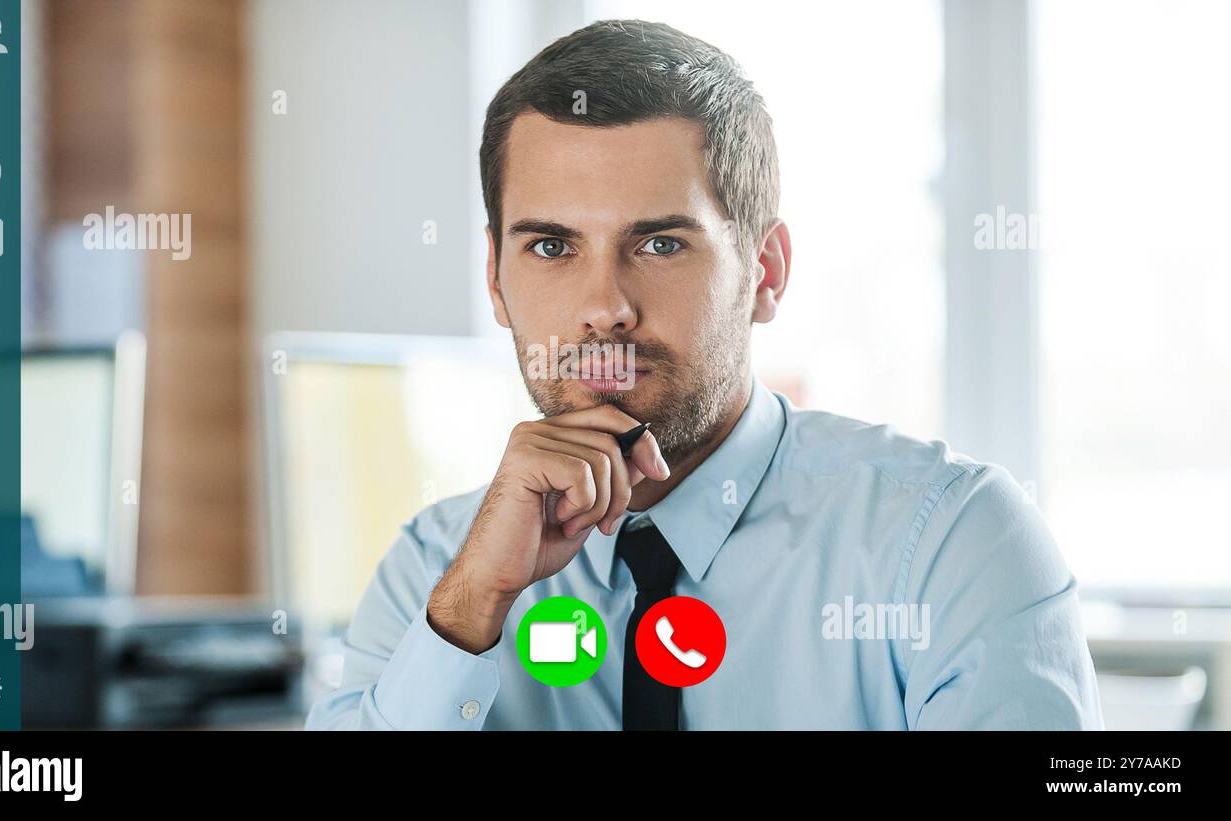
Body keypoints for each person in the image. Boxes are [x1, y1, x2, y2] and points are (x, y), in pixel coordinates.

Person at [306, 19, 1103, 731]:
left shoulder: (951, 544)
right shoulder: (437, 571)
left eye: (659, 243)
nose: (603, 307)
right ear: (494, 277)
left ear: (765, 270)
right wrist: (469, 612)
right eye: (551, 246)